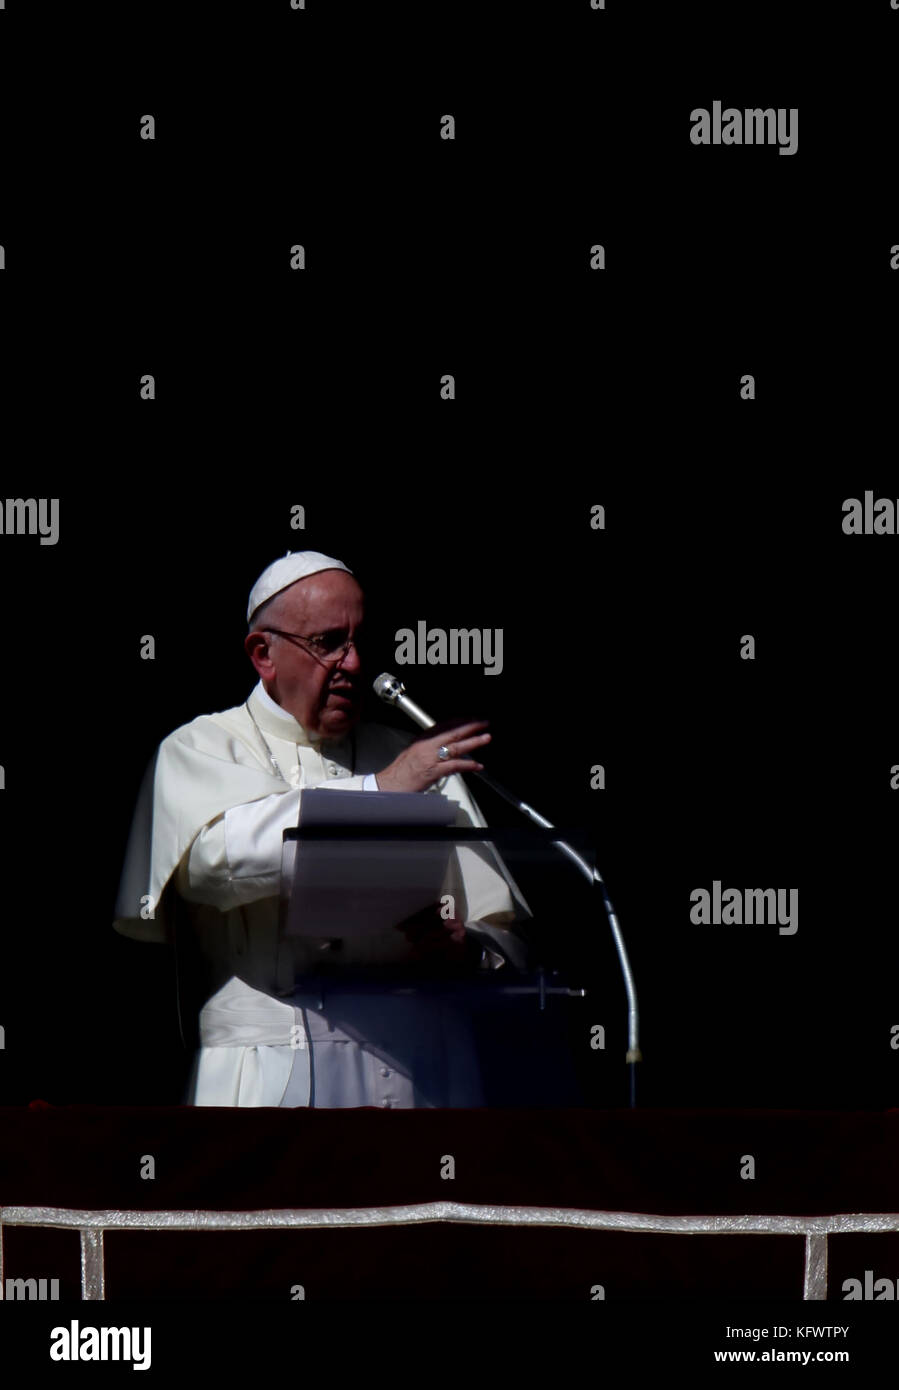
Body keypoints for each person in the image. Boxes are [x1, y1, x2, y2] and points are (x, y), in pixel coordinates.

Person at [113, 550, 530, 1108]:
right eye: (329, 642)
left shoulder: (408, 757)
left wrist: (469, 951)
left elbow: (505, 937)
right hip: (274, 1071)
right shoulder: (204, 745)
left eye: (360, 641)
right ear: (264, 653)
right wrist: (380, 791)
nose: (355, 664)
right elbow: (212, 862)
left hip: (424, 1073)